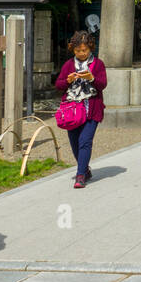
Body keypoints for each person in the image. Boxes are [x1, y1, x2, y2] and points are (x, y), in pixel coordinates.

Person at [55, 30, 107, 188]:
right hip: (72, 110)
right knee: (75, 142)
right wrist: (68, 81)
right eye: (78, 51)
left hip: (91, 108)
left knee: (85, 141)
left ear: (91, 48)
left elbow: (102, 84)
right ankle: (85, 168)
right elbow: (58, 85)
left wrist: (91, 78)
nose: (81, 53)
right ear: (73, 50)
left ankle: (80, 175)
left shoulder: (98, 64)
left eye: (84, 50)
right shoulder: (69, 65)